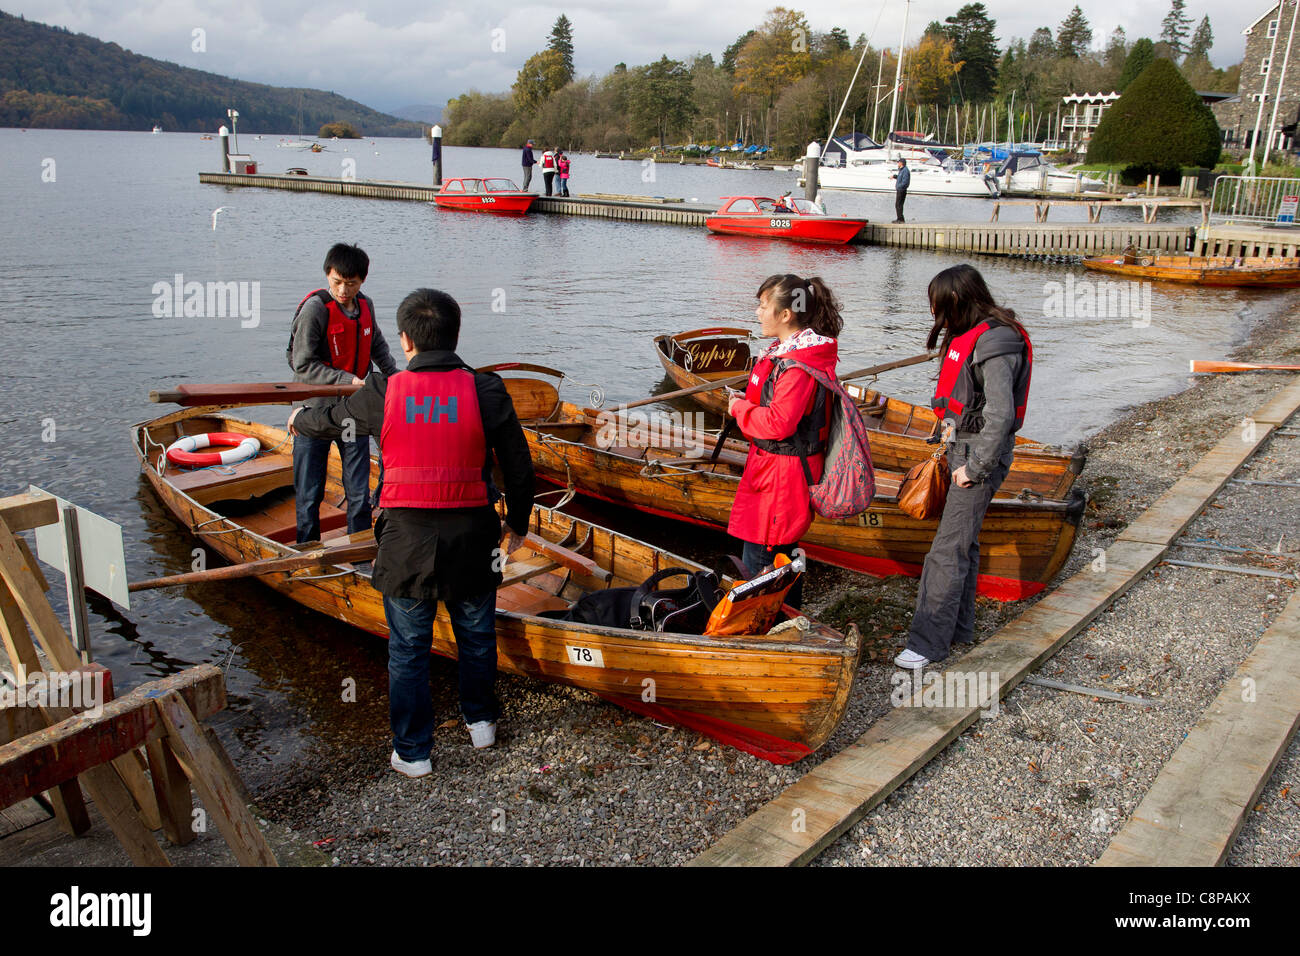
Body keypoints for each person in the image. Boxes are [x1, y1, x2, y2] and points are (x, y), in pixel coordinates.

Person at [288, 288, 535, 776]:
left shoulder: (384, 391)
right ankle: (481, 724)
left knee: (408, 650)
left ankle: (414, 753)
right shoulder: (487, 390)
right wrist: (519, 524)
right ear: (456, 334)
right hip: (474, 538)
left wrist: (298, 420)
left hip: (406, 542)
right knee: (478, 636)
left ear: (404, 341)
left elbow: (335, 422)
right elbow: (519, 469)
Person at [895, 265, 1032, 670]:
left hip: (977, 456)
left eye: (939, 306)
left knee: (946, 550)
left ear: (956, 302)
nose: (936, 315)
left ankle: (926, 645)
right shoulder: (973, 334)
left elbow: (1001, 415)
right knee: (963, 545)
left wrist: (976, 468)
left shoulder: (998, 342)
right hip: (961, 447)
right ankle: (958, 631)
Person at [725, 274, 843, 609]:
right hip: (774, 468)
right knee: (783, 554)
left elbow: (779, 422)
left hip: (781, 475)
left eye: (764, 306)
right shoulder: (791, 353)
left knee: (762, 556)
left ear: (786, 314)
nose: (759, 313)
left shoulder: (797, 366)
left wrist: (739, 408)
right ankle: (790, 620)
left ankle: (765, 626)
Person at [287, 243, 398, 544]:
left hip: (355, 414)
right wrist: (350, 379)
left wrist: (397, 380)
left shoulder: (366, 306)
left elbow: (379, 349)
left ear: (362, 281)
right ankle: (308, 551)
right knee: (310, 493)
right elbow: (303, 365)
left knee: (359, 491)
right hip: (315, 414)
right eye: (337, 282)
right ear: (327, 275)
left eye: (351, 284)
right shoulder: (315, 311)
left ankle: (358, 550)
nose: (343, 290)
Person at [891, 157, 910, 223]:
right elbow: (900, 178)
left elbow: (905, 182)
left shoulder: (905, 170)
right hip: (900, 189)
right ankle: (900, 218)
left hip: (902, 190)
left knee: (898, 204)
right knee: (898, 204)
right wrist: (894, 176)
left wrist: (899, 186)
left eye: (898, 162)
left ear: (901, 163)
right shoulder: (901, 170)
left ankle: (900, 219)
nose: (897, 163)